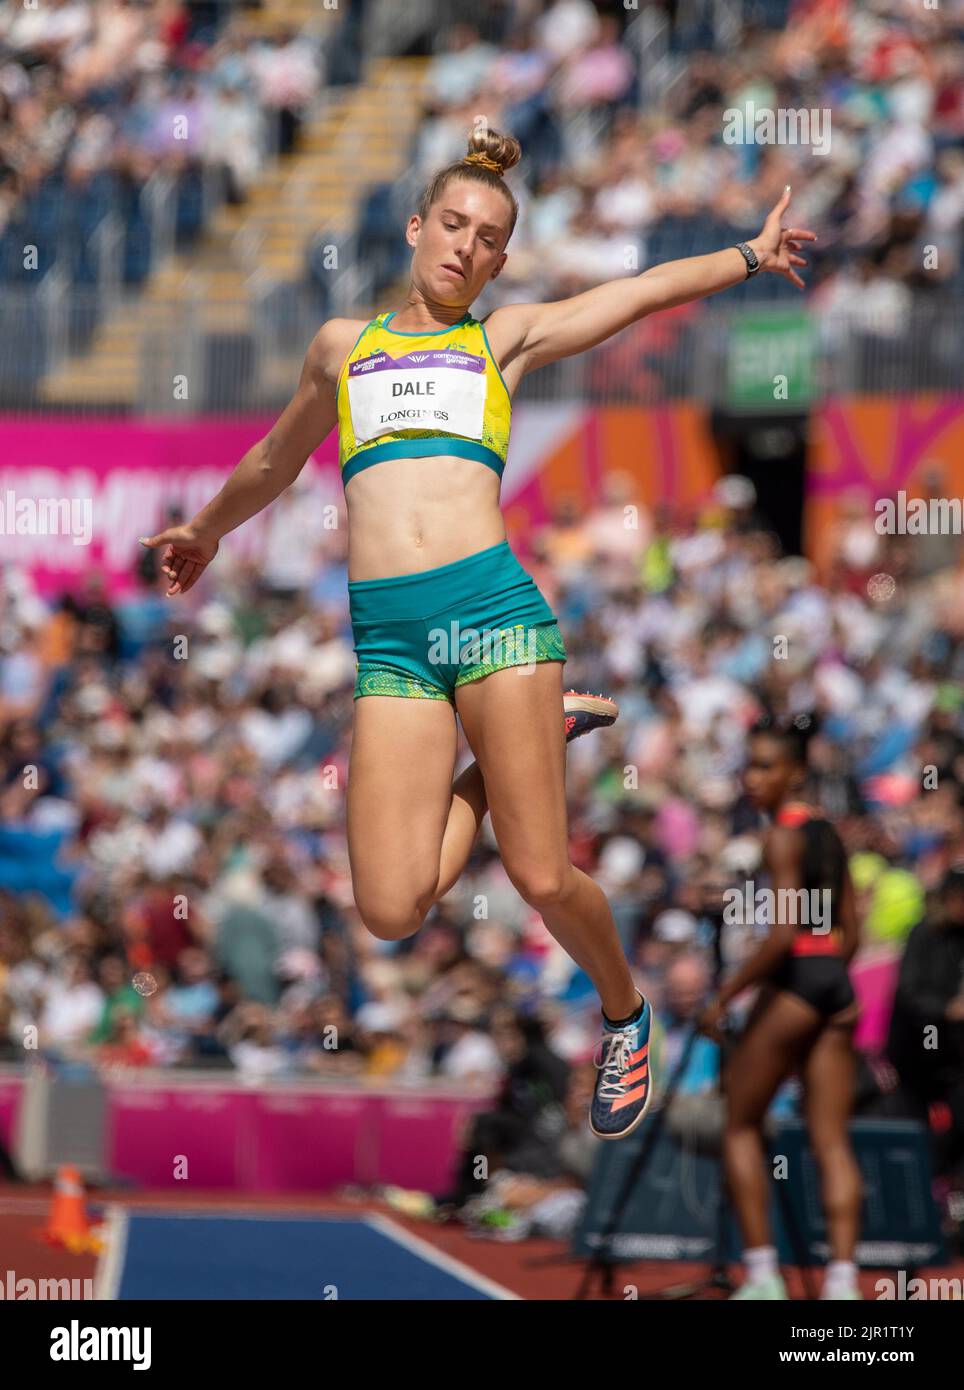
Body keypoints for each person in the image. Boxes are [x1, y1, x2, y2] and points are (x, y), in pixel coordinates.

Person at [139, 127, 814, 1137]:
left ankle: (625, 1012)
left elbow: (627, 297)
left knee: (541, 874)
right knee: (391, 908)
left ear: (500, 260)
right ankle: (509, 759)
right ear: (416, 228)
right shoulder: (342, 348)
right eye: (452, 224)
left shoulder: (500, 340)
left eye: (488, 238)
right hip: (393, 646)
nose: (466, 246)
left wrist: (748, 256)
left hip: (494, 620)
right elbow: (276, 459)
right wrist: (204, 529)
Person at [698, 715, 864, 1299]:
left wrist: (724, 995)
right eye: (749, 764)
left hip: (797, 980)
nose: (751, 777)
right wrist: (836, 985)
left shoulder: (780, 836)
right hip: (835, 986)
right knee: (832, 1141)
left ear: (795, 774)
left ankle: (764, 1274)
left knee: (741, 1125)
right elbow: (851, 927)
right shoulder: (831, 832)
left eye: (765, 766)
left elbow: (782, 934)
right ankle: (841, 1284)